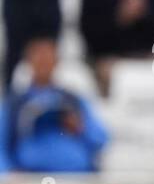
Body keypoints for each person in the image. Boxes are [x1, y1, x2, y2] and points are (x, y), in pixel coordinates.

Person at [0, 38, 108, 173]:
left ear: (57, 62)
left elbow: (100, 139)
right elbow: (1, 146)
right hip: (29, 180)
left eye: (48, 57)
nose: (44, 62)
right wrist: (8, 176)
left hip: (77, 178)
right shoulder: (14, 104)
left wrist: (80, 128)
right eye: (39, 57)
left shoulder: (74, 100)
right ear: (29, 62)